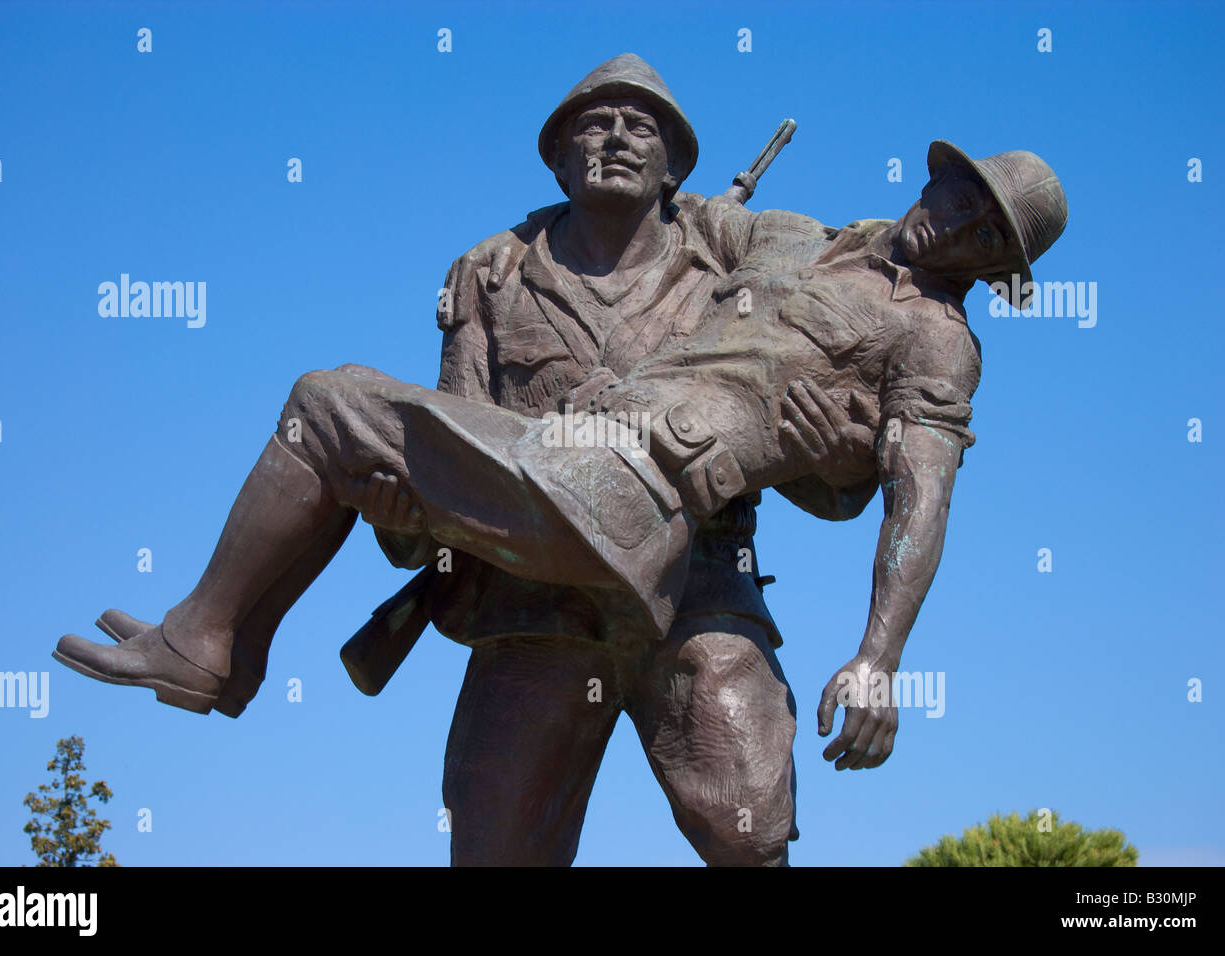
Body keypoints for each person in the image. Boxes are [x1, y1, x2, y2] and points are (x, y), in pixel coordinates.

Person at [54, 86, 1067, 869]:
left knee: (749, 827)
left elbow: (915, 492)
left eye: (989, 234)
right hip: (547, 543)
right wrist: (416, 522)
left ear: (999, 270)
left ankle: (206, 644)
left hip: (641, 505)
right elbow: (689, 230)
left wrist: (877, 649)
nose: (959, 225)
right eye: (960, 195)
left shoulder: (937, 342)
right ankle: (215, 648)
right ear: (929, 178)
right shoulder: (784, 240)